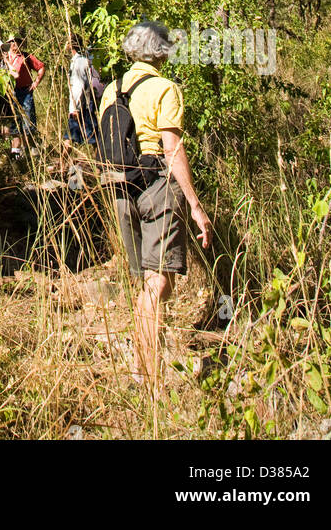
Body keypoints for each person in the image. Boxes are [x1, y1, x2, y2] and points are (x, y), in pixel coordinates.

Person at [97, 20, 213, 388]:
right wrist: (194, 204)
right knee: (158, 282)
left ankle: (142, 359)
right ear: (162, 51)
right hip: (156, 187)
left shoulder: (110, 90)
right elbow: (171, 149)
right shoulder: (165, 88)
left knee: (143, 282)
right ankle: (145, 375)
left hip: (117, 189)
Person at [5, 32, 45, 158]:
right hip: (11, 93)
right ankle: (16, 154)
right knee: (14, 123)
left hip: (25, 92)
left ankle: (31, 152)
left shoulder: (26, 57)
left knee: (28, 122)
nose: (14, 44)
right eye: (12, 41)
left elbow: (41, 67)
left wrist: (36, 82)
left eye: (16, 41)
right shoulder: (5, 58)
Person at [65, 34, 100, 147]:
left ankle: (63, 163)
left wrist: (76, 108)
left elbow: (79, 86)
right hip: (84, 104)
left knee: (72, 137)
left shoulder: (79, 62)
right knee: (91, 137)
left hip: (82, 105)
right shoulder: (79, 61)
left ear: (71, 45)